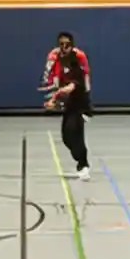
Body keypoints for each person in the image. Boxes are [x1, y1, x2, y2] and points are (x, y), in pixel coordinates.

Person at [47, 51, 91, 182]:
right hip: (69, 109)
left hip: (79, 109)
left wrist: (54, 98)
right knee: (66, 138)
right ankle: (80, 160)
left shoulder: (77, 72)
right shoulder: (63, 74)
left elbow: (69, 88)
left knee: (77, 137)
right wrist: (55, 103)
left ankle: (83, 165)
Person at [40, 31, 92, 119]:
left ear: (72, 45)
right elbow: (51, 74)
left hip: (75, 80)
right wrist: (53, 96)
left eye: (67, 44)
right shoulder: (53, 55)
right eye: (61, 44)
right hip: (62, 79)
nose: (64, 47)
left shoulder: (79, 56)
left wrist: (86, 95)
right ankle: (60, 103)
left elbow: (85, 75)